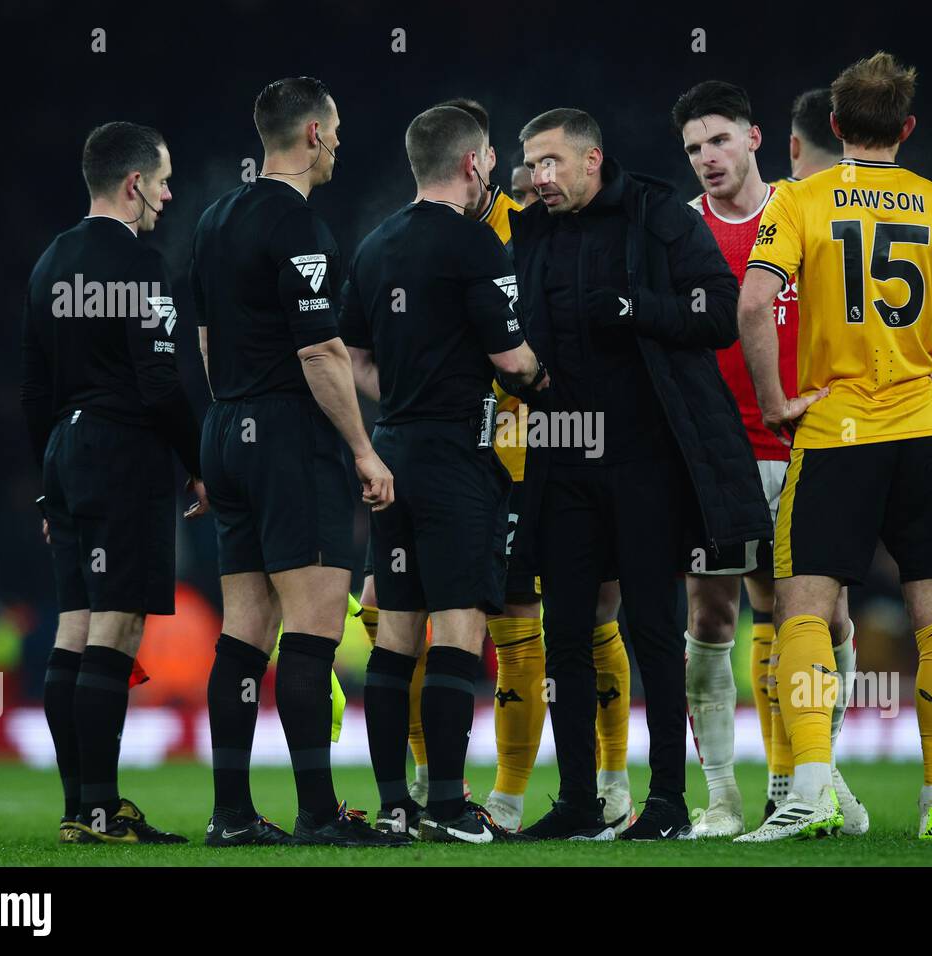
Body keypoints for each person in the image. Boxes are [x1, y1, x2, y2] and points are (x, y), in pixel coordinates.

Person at [736, 52, 932, 842]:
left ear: (834, 127)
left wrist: (774, 404)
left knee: (804, 604)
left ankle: (806, 791)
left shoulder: (800, 199)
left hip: (836, 429)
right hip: (925, 431)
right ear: (908, 129)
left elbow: (756, 303)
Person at [511, 108, 768, 841]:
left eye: (553, 162)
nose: (541, 177)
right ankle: (576, 802)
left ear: (594, 159)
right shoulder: (532, 227)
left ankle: (665, 803)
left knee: (655, 628)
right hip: (560, 454)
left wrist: (638, 307)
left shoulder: (658, 214)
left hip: (645, 457)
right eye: (533, 164)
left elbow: (719, 311)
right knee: (564, 631)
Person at [192, 76, 403, 848]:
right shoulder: (301, 226)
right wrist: (361, 448)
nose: (342, 140)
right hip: (288, 437)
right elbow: (319, 350)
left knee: (244, 632)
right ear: (313, 133)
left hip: (226, 426)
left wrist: (227, 431)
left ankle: (232, 815)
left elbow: (206, 340)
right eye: (337, 128)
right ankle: (319, 812)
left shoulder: (214, 218)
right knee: (312, 632)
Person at [340, 105, 546, 843]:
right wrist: (552, 383)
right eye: (488, 158)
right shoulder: (475, 245)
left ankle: (396, 803)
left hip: (393, 452)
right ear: (473, 164)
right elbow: (512, 360)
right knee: (460, 626)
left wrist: (399, 400)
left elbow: (354, 357)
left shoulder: (373, 246)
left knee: (396, 633)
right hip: (460, 454)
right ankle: (453, 807)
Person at [672, 80, 865, 838]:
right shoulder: (681, 233)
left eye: (719, 139)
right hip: (719, 459)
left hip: (808, 443)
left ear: (758, 138)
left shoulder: (808, 211)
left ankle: (809, 776)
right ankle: (722, 796)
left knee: (822, 618)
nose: (706, 158)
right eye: (692, 148)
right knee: (711, 612)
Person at [22, 121, 204, 844]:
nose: (166, 194)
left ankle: (82, 809)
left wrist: (48, 483)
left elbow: (34, 389)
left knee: (75, 629)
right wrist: (199, 461)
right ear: (133, 184)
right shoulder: (139, 265)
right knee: (118, 628)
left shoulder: (49, 262)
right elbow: (159, 384)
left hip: (66, 452)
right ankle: (100, 811)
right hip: (121, 452)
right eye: (161, 180)